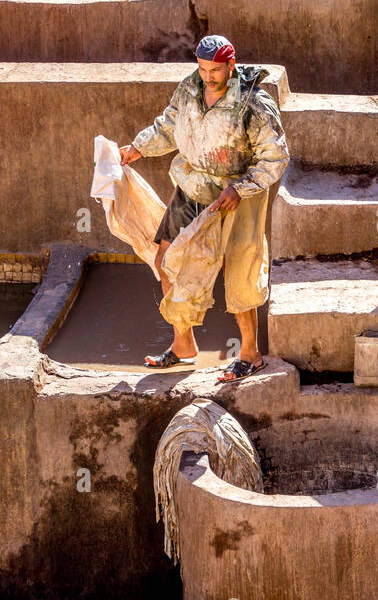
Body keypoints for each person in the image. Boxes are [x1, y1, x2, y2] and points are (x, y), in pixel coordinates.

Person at [119, 34, 289, 383]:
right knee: (166, 261)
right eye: (202, 69)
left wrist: (240, 188)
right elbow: (168, 126)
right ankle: (183, 345)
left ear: (231, 64)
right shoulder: (189, 89)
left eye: (215, 70)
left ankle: (249, 354)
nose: (208, 77)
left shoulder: (253, 104)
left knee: (239, 274)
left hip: (233, 198)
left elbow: (275, 157)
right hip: (192, 186)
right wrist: (137, 148)